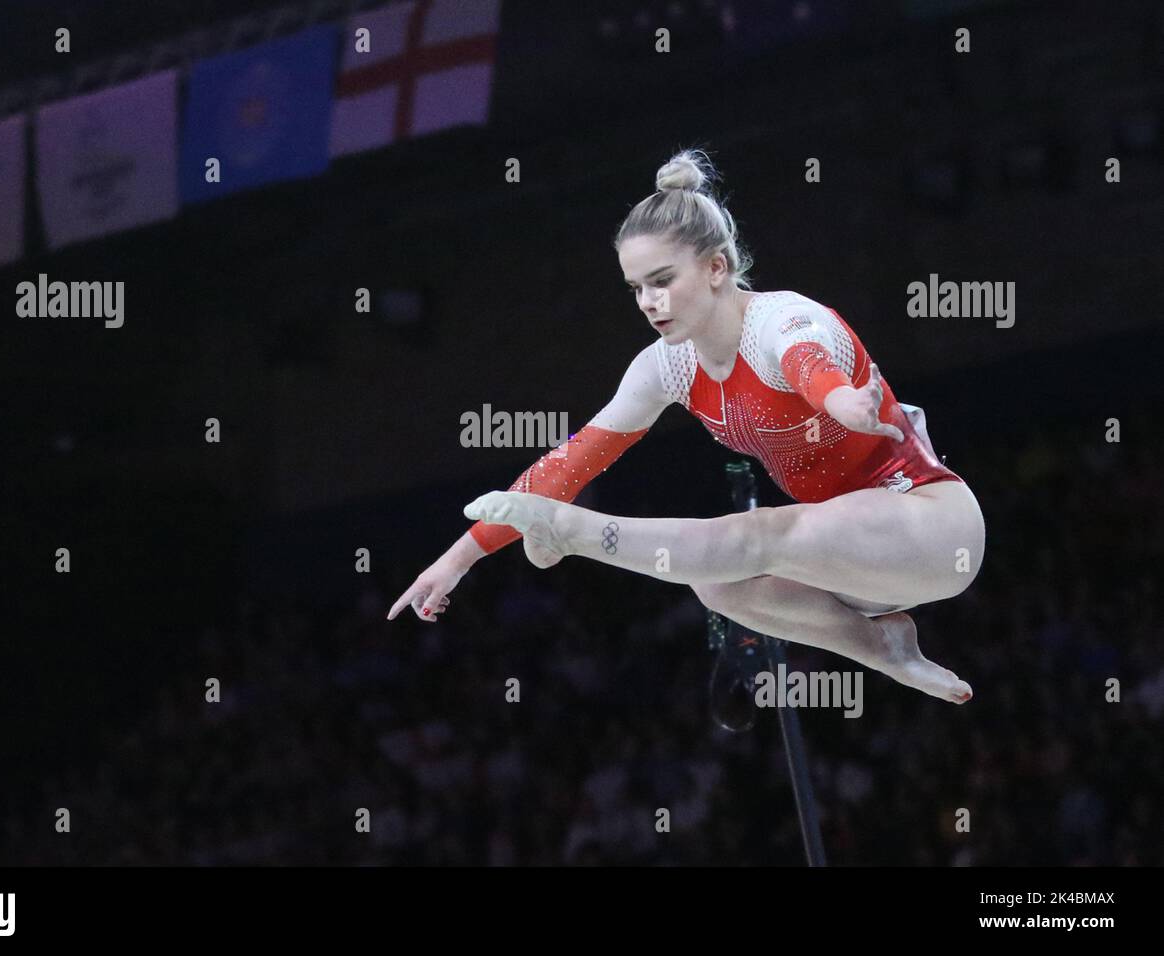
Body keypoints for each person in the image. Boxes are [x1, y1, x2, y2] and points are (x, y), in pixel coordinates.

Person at [389, 148, 985, 704]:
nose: (649, 302)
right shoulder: (667, 366)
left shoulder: (782, 321)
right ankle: (883, 649)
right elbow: (571, 462)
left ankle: (575, 533)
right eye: (637, 289)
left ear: (717, 267)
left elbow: (810, 367)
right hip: (858, 567)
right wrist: (457, 560)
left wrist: (842, 404)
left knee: (754, 536)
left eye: (663, 280)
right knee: (717, 584)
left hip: (929, 525)